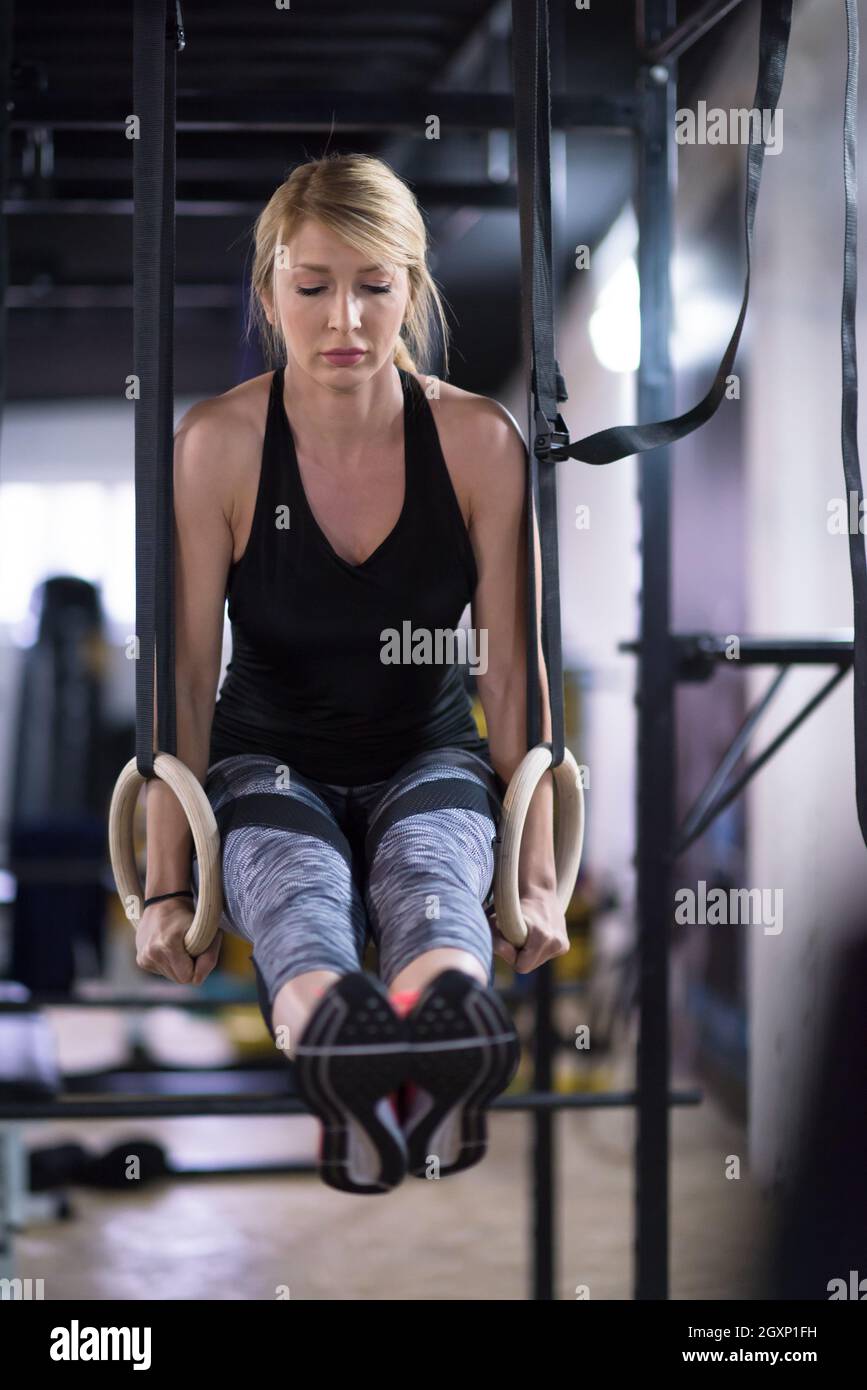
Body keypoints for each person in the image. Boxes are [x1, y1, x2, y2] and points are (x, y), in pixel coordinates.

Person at [134, 152, 569, 1193]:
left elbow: (515, 672)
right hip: (267, 764)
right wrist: (164, 885)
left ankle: (441, 1053)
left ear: (411, 293)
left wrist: (541, 876)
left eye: (376, 287)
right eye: (313, 285)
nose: (345, 321)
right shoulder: (220, 447)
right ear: (270, 291)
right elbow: (186, 676)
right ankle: (349, 1063)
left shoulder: (478, 441)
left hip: (428, 754)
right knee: (300, 895)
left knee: (431, 871)